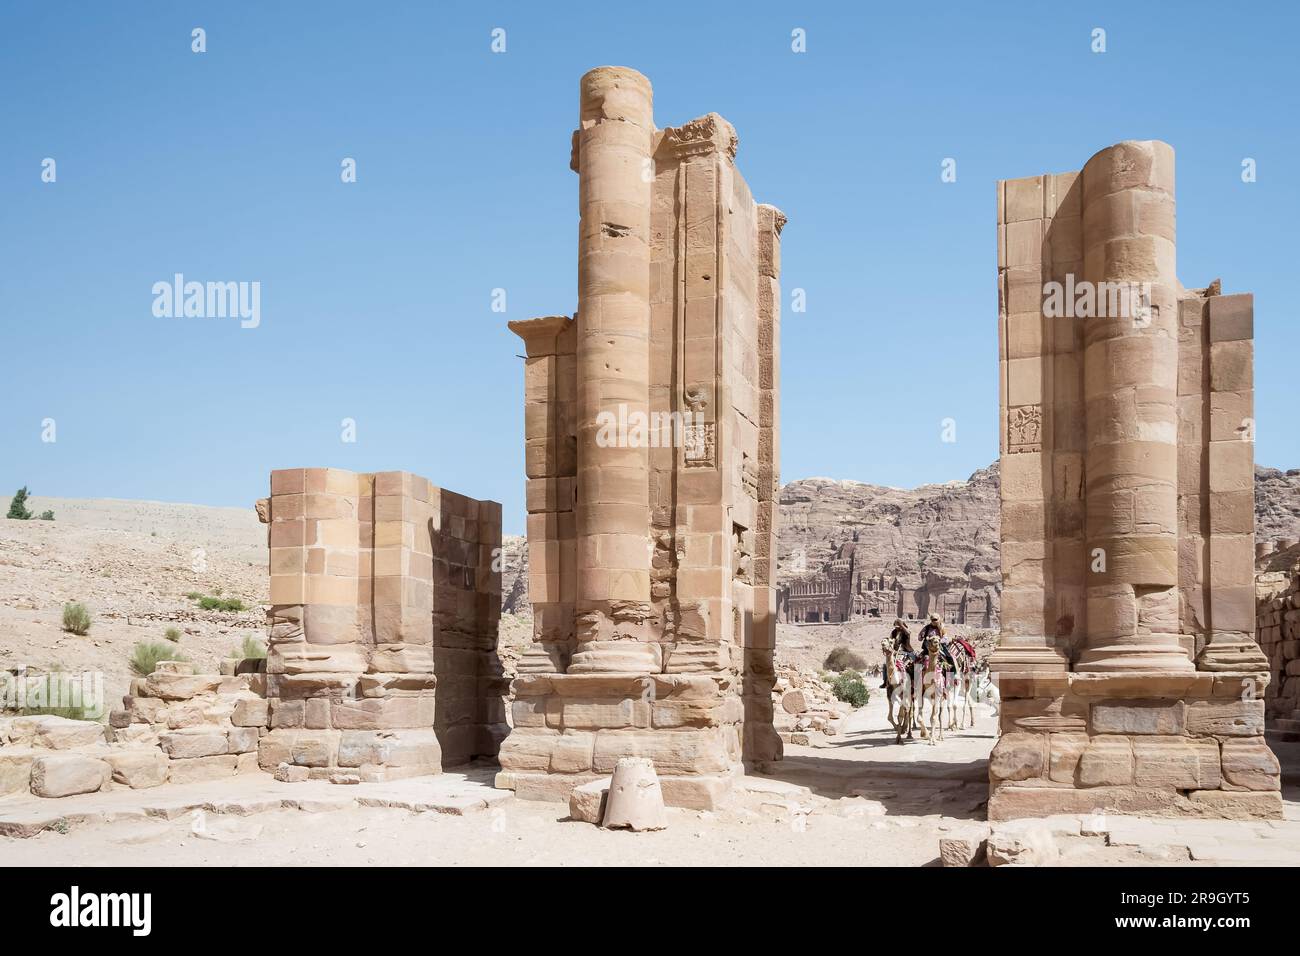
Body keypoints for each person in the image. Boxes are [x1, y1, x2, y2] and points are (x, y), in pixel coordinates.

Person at [882, 618, 913, 688]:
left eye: (898, 626)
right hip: (895, 652)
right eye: (895, 626)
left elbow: (908, 633)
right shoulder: (894, 632)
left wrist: (902, 625)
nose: (897, 628)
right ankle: (885, 681)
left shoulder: (906, 632)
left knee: (912, 665)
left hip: (906, 652)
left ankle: (912, 682)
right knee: (885, 665)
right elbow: (891, 640)